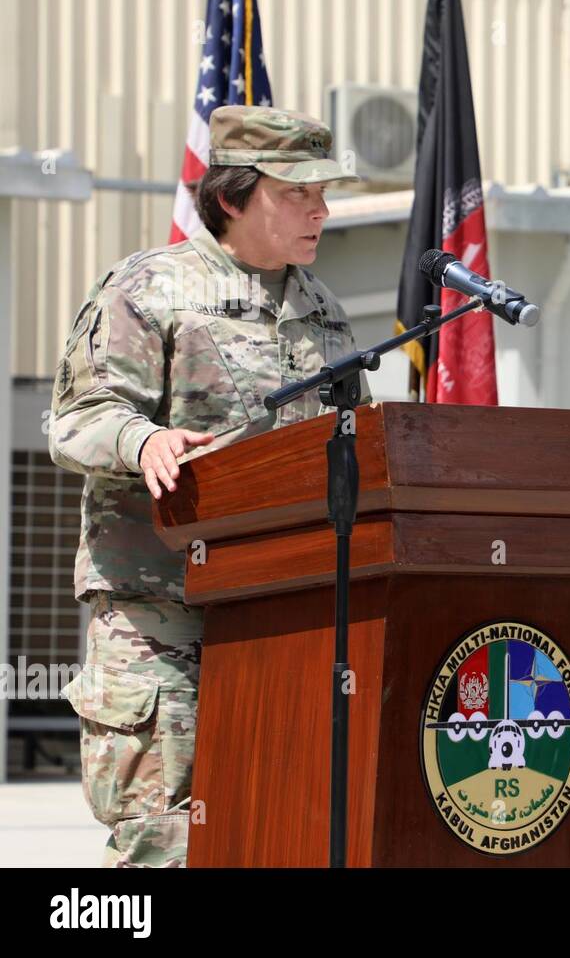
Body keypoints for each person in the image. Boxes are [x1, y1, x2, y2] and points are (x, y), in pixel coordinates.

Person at [48, 105, 370, 867]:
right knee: (164, 838)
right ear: (232, 197)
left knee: (268, 825)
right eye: (298, 192)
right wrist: (144, 438)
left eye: (325, 191)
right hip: (159, 607)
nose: (321, 209)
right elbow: (76, 417)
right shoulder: (150, 288)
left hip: (280, 606)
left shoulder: (319, 307)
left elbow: (349, 437)